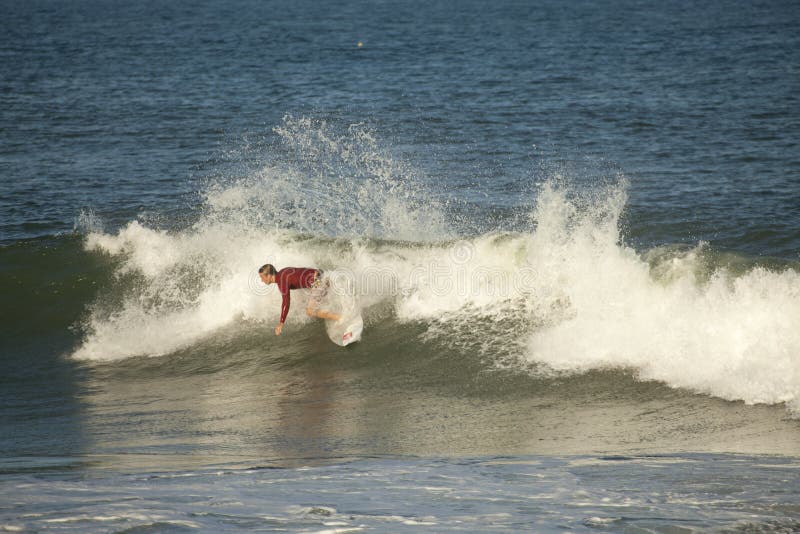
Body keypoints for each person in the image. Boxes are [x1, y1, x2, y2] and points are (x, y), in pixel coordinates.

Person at [258, 264, 341, 335]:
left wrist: (281, 323)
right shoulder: (283, 271)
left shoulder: (281, 281)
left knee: (310, 311)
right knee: (323, 300)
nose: (262, 280)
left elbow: (286, 302)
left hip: (316, 281)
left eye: (262, 277)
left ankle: (340, 318)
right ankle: (342, 310)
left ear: (269, 275)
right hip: (320, 274)